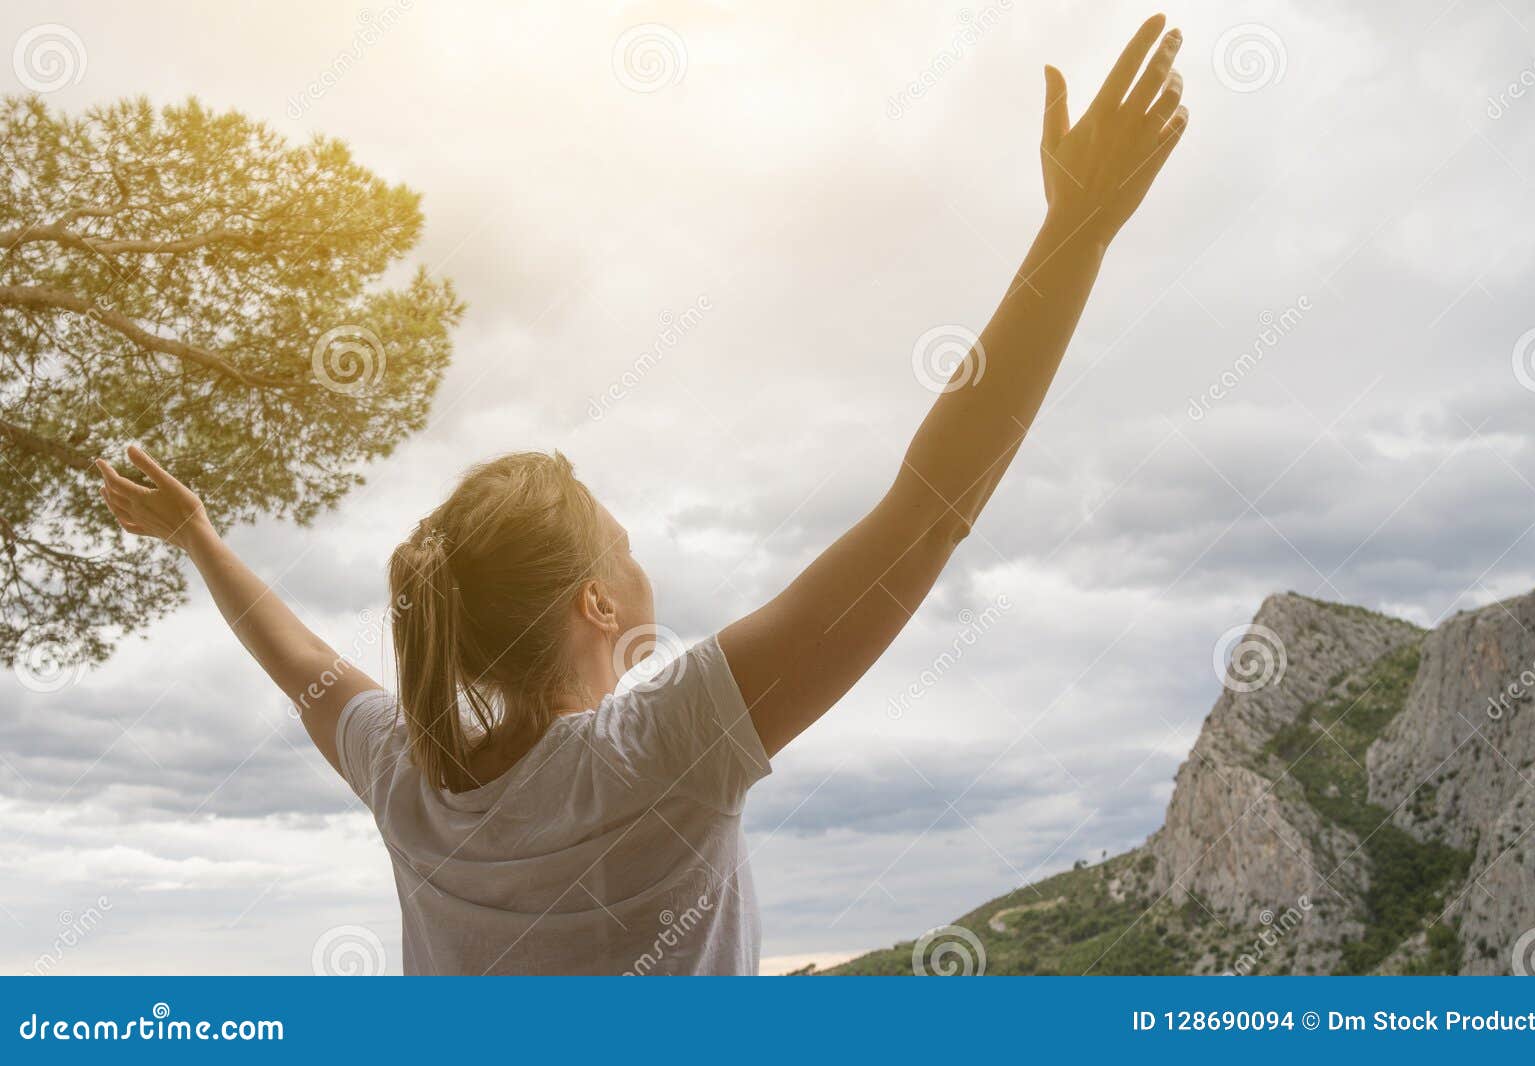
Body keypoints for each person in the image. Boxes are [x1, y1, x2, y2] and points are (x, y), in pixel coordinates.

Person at [95, 15, 1188, 975]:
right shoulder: (661, 752)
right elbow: (929, 507)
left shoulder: (412, 783)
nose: (641, 558)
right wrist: (1075, 231)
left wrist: (197, 537)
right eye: (622, 545)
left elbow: (305, 673)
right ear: (595, 605)